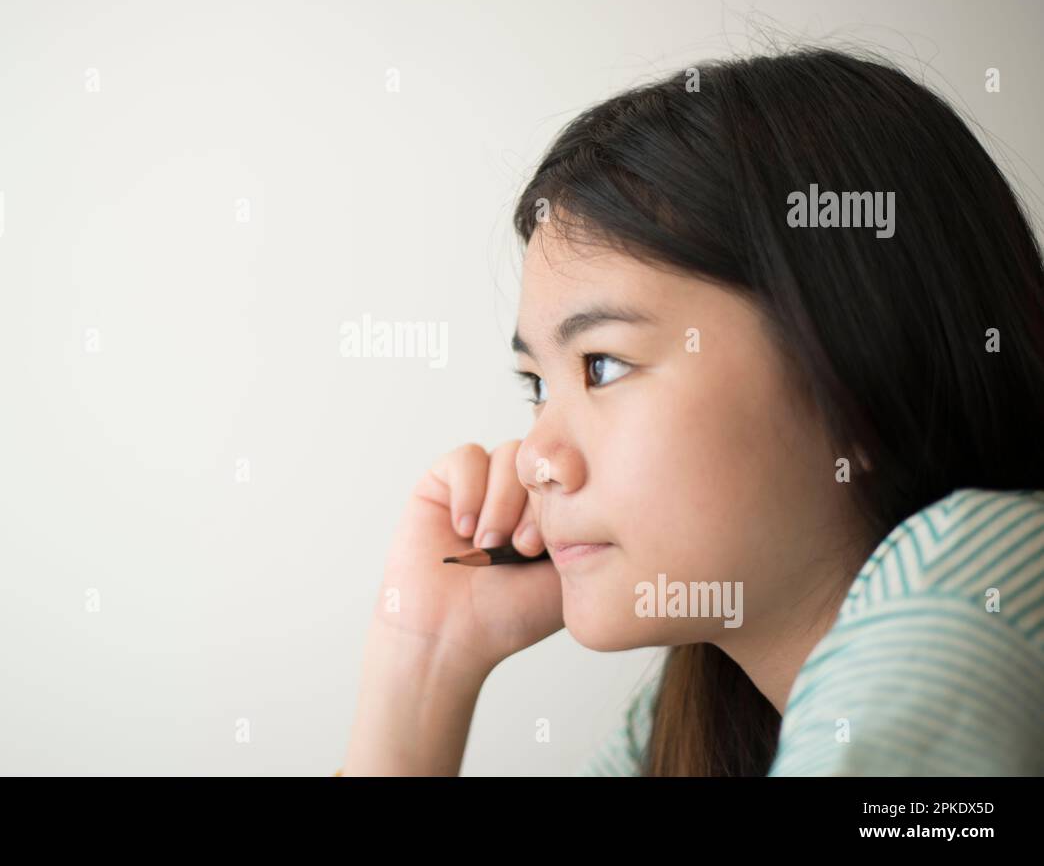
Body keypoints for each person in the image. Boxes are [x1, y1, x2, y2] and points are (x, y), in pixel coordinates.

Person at [340, 46, 1044, 776]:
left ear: (864, 374)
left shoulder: (975, 576)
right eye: (537, 386)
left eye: (602, 365)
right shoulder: (685, 722)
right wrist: (421, 659)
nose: (534, 461)